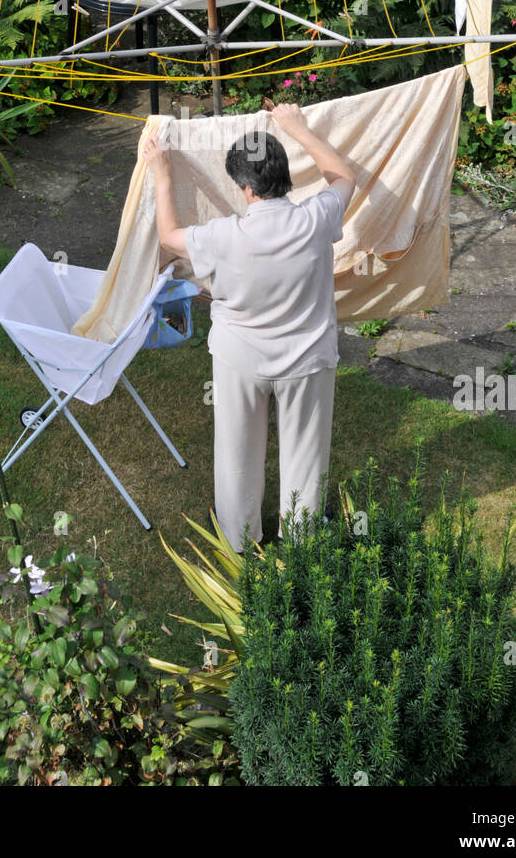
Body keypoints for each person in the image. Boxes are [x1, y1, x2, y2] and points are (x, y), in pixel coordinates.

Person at [142, 102, 356, 549]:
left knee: (236, 452)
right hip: (308, 358)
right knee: (305, 452)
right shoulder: (317, 219)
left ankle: (239, 541)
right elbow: (344, 176)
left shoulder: (221, 237)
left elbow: (167, 237)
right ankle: (302, 539)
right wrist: (299, 128)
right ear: (285, 178)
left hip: (240, 359)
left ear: (244, 188)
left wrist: (162, 173)